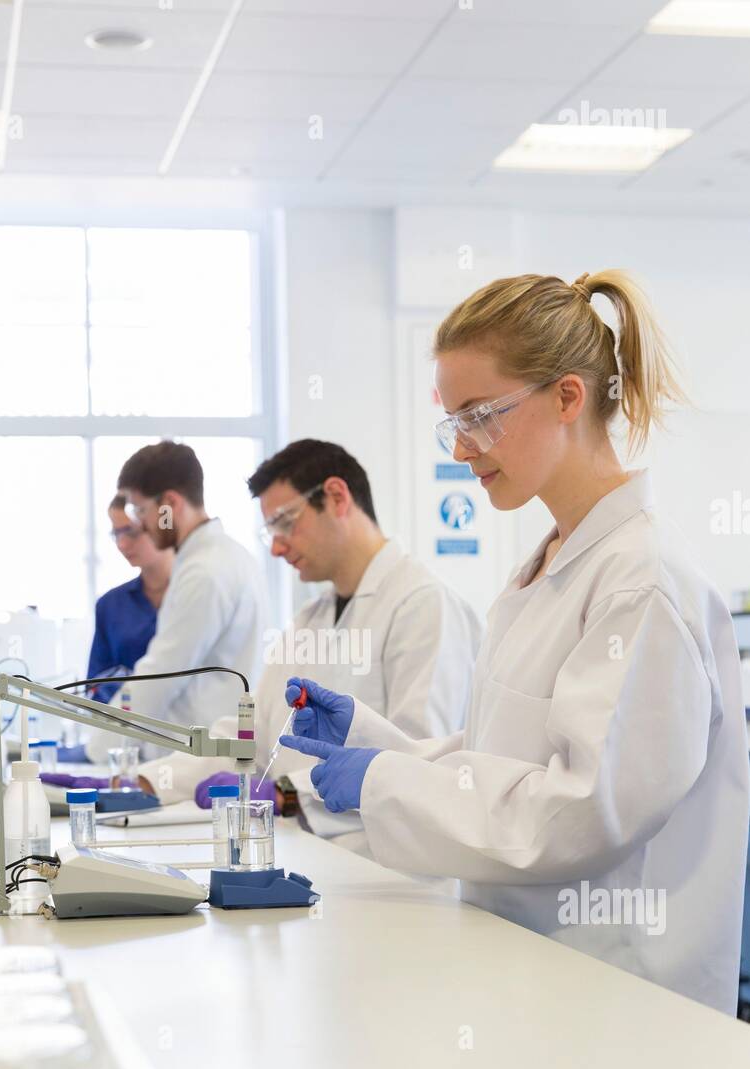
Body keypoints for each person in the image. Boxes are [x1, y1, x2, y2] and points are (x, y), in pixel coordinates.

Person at [279, 271, 750, 1015]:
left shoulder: (641, 582)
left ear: (568, 397)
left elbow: (581, 810)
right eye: (453, 422)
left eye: (481, 416)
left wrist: (381, 784)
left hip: (625, 999)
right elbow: (508, 759)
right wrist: (376, 746)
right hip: (538, 972)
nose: (463, 449)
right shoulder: (552, 564)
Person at [133, 439, 481, 845]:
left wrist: (287, 793)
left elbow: (418, 760)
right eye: (270, 532)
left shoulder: (424, 606)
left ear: (336, 497)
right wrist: (146, 780)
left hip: (391, 871)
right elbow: (255, 737)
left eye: (285, 522)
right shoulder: (309, 619)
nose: (277, 547)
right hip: (311, 856)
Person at [85, 441, 267, 763]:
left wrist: (97, 751)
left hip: (198, 762)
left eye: (141, 510)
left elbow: (159, 677)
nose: (139, 524)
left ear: (169, 504)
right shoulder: (227, 556)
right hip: (198, 756)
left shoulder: (204, 572)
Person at [86, 493, 173, 704]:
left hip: (194, 729)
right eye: (116, 534)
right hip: (127, 729)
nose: (122, 544)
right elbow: (94, 686)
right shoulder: (110, 605)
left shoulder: (198, 592)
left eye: (131, 532)